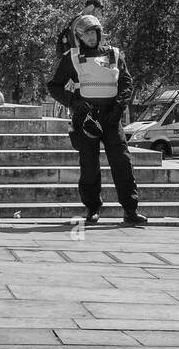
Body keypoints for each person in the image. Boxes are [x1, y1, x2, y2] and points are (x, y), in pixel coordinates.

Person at [46, 14, 145, 225]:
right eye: (86, 34)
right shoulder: (72, 57)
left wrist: (118, 108)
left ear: (99, 33)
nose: (91, 37)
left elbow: (126, 84)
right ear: (80, 37)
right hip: (86, 117)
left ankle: (130, 210)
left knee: (122, 163)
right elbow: (53, 86)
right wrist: (73, 102)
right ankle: (92, 209)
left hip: (112, 116)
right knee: (89, 166)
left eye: (93, 32)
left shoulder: (114, 54)